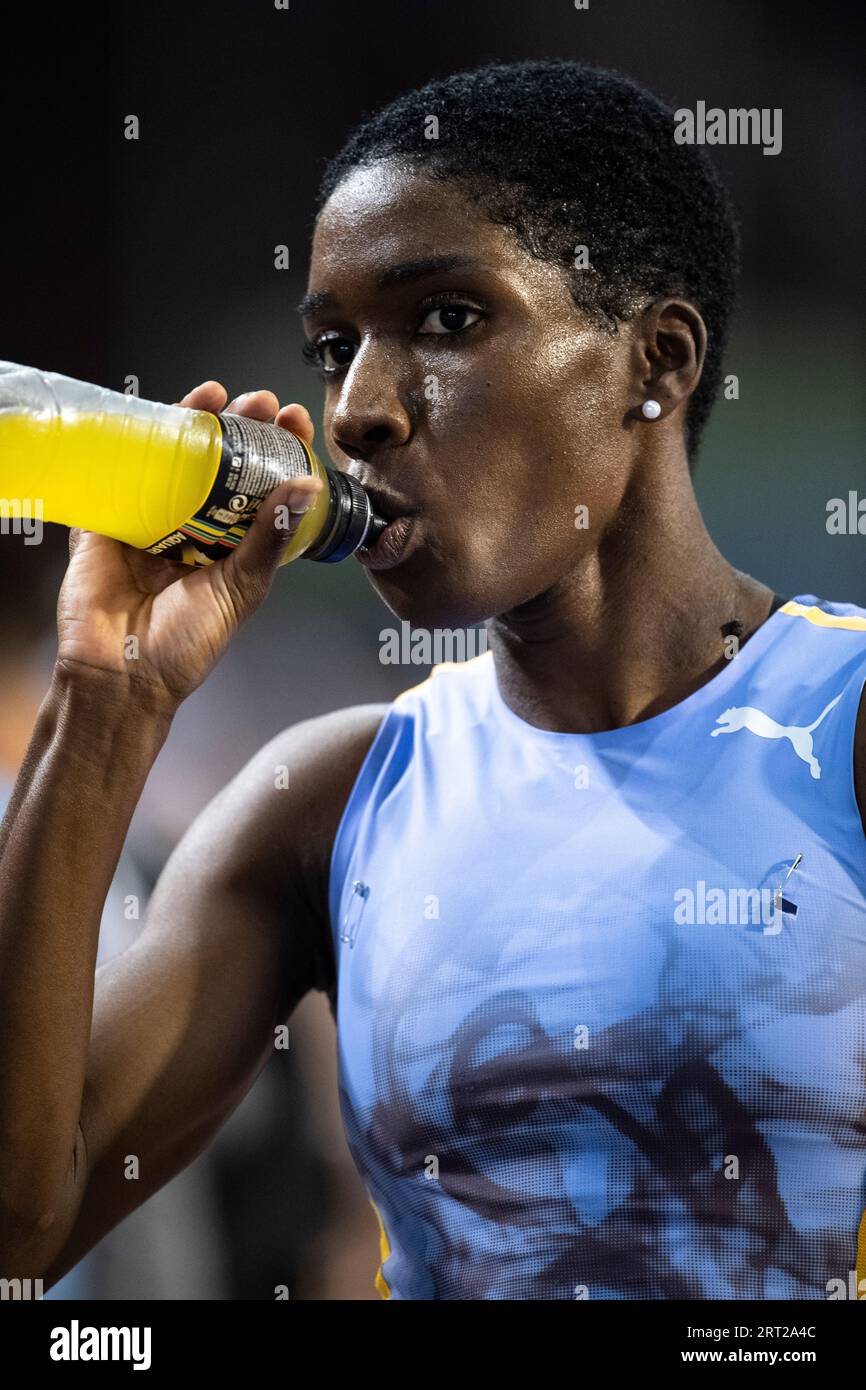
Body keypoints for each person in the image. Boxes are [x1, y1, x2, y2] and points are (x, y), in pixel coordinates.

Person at [1, 59, 865, 1302]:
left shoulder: (837, 725)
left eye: (446, 319)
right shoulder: (325, 804)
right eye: (331, 346)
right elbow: (19, 1229)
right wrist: (105, 700)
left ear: (656, 364)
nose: (351, 410)